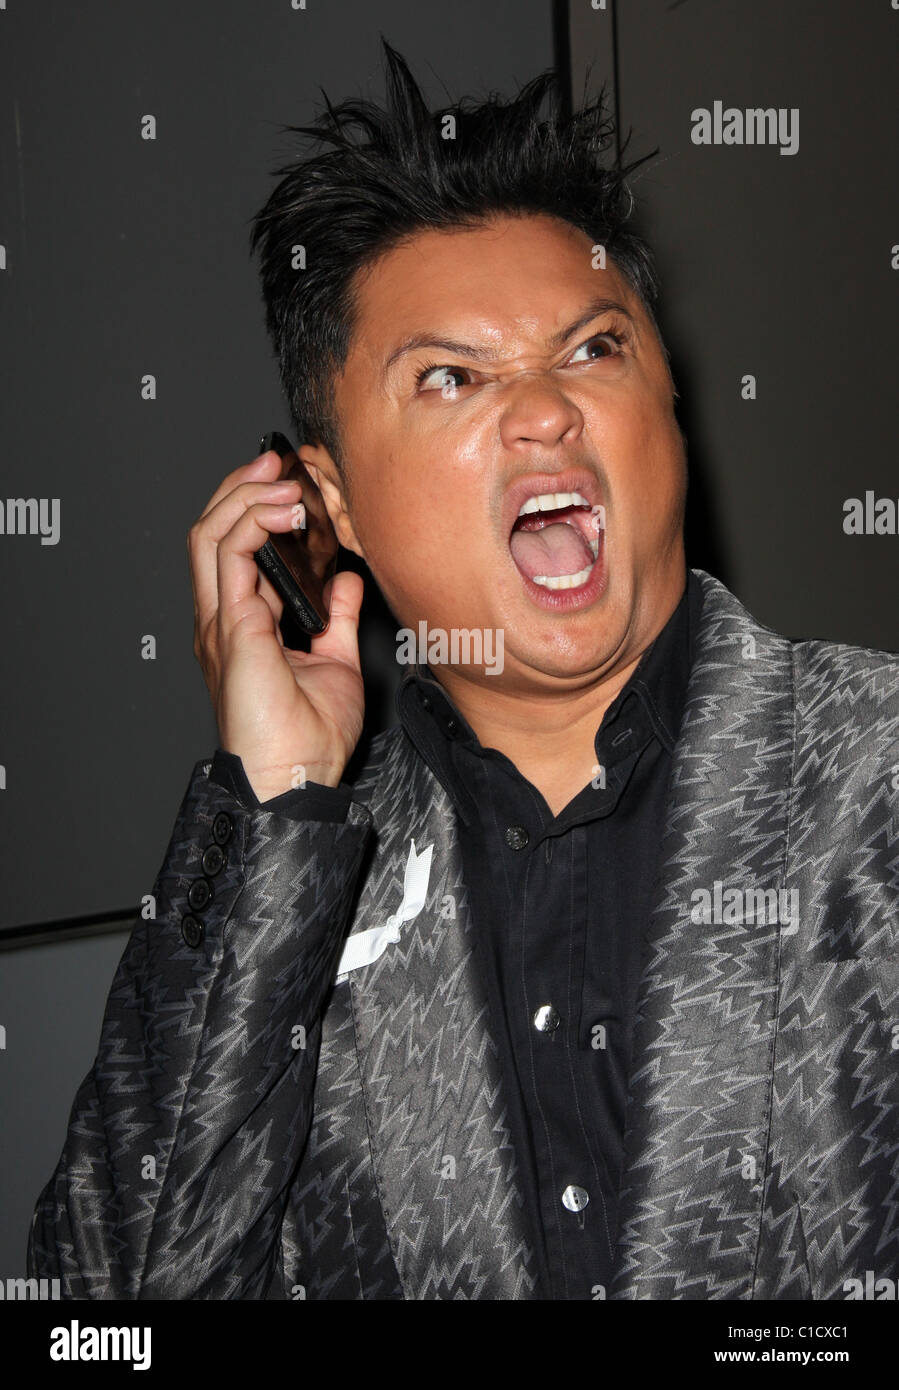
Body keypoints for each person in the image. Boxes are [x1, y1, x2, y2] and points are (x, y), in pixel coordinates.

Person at [28, 41, 899, 1301]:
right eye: (449, 376)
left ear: (669, 405)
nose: (544, 410)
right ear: (330, 503)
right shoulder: (301, 890)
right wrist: (271, 804)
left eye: (594, 350)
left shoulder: (871, 768)